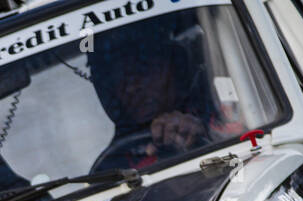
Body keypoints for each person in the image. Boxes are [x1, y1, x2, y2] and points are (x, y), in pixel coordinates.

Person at [87, 15, 240, 172]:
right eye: (120, 79)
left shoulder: (222, 110)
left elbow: (253, 145)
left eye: (142, 70)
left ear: (174, 64)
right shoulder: (110, 167)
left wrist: (205, 136)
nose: (132, 88)